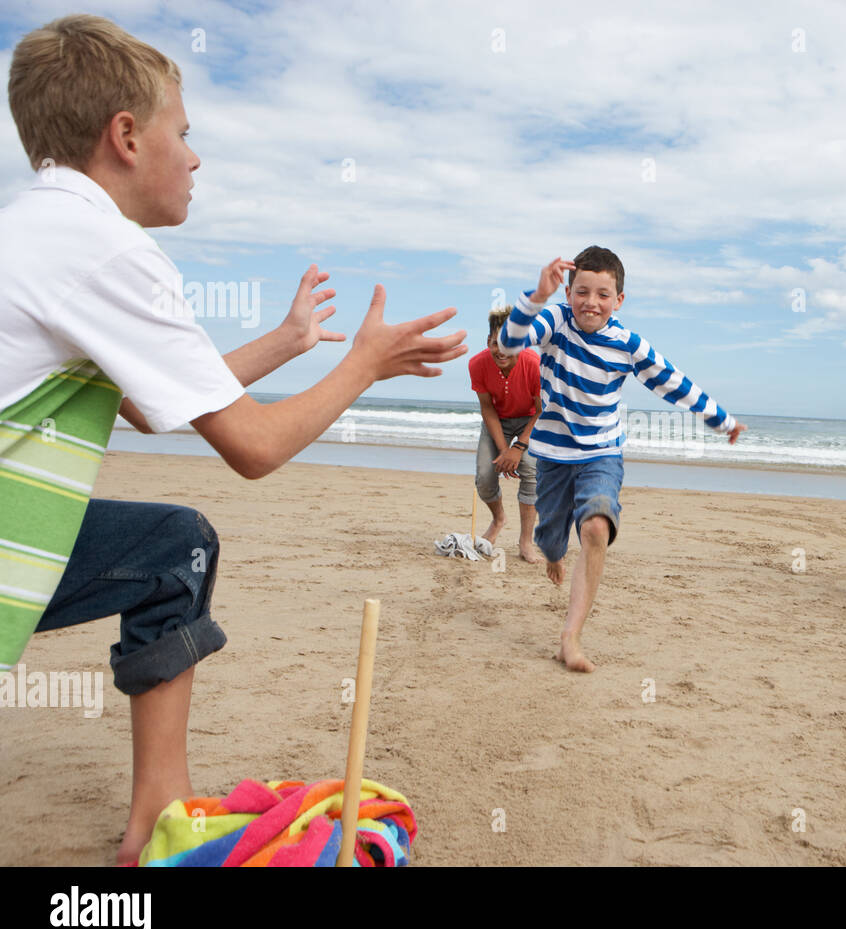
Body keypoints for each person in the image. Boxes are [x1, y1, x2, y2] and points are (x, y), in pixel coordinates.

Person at [0, 15, 467, 863]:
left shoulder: (43, 227)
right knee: (178, 544)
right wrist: (363, 364)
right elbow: (254, 448)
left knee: (170, 547)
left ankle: (159, 812)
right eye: (185, 131)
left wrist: (288, 344)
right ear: (128, 136)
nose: (197, 157)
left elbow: (150, 405)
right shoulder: (105, 249)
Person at [498, 247, 745, 672]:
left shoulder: (628, 344)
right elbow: (509, 342)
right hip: (554, 455)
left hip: (602, 452)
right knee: (551, 540)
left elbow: (673, 382)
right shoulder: (554, 322)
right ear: (569, 292)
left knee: (596, 527)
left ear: (619, 300)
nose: (590, 302)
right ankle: (553, 551)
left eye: (602, 294)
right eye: (581, 292)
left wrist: (721, 420)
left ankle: (570, 638)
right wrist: (537, 295)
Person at [468, 308, 544, 562]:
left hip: (530, 419)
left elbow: (542, 411)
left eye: (507, 344)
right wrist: (503, 450)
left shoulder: (534, 364)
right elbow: (487, 408)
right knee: (485, 476)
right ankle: (499, 519)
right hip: (497, 420)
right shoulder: (477, 364)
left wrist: (518, 448)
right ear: (487, 342)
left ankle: (525, 541)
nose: (500, 350)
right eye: (494, 343)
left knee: (531, 472)